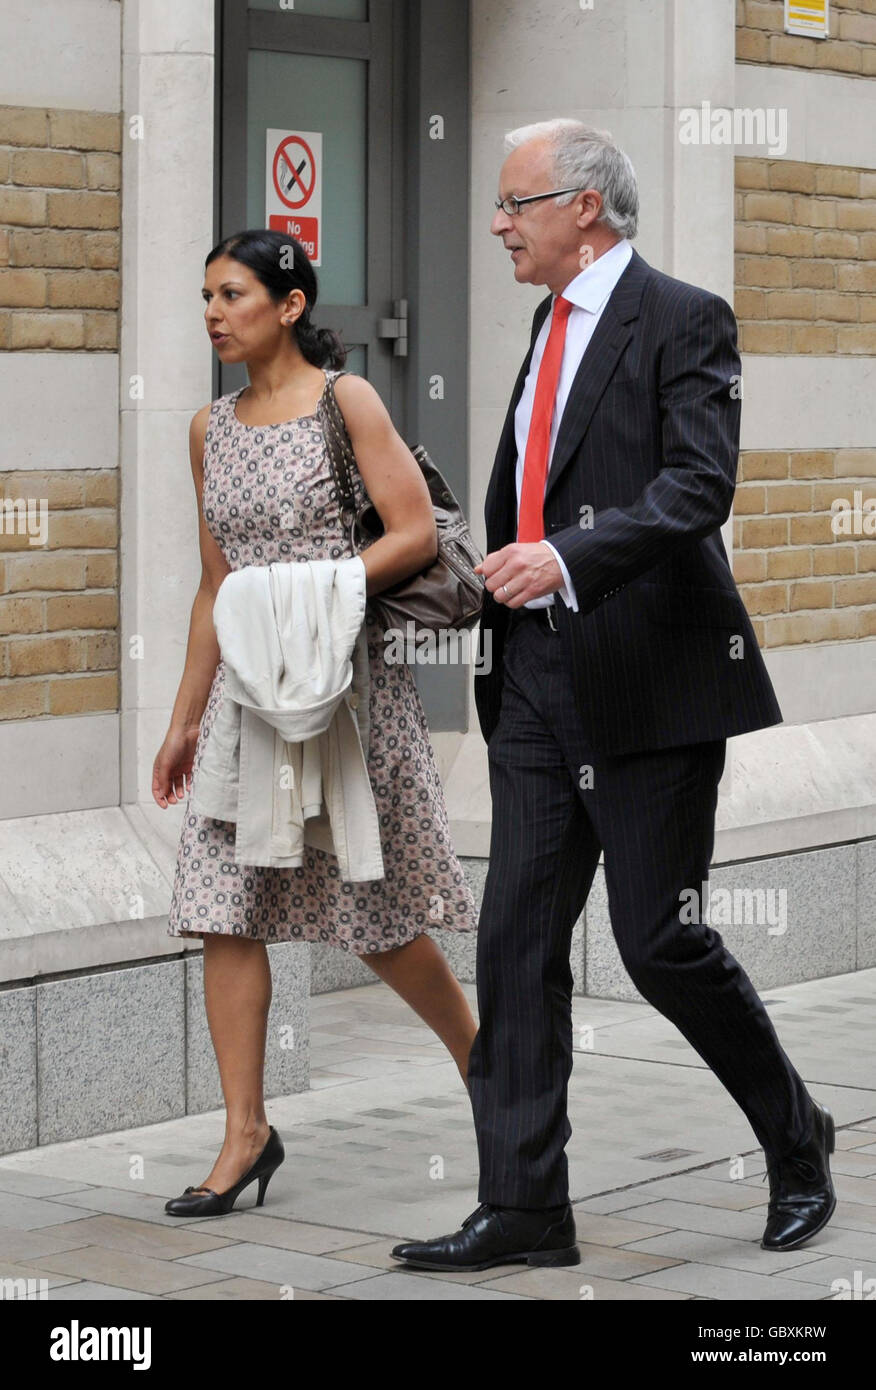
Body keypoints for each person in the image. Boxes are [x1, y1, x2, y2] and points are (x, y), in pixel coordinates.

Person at [391, 119, 835, 1273]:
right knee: (515, 944)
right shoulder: (547, 321)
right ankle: (527, 1203)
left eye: (514, 204)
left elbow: (699, 484)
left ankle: (798, 1136)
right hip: (535, 681)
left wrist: (572, 558)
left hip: (648, 683)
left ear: (584, 205)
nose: (498, 224)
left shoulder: (686, 318)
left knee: (660, 943)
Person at [154, 229, 478, 1216]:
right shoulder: (210, 427)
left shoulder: (348, 401)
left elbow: (417, 529)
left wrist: (310, 584)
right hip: (244, 704)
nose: (213, 312)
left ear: (290, 307)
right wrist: (180, 719)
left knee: (372, 918)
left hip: (343, 694)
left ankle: (489, 1067)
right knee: (222, 906)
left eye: (234, 293)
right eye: (206, 294)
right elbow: (217, 587)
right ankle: (245, 1132)